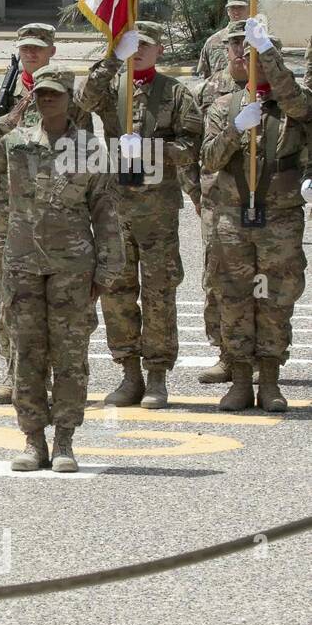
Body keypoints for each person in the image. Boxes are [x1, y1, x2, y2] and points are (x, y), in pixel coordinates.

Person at [0, 65, 123, 472]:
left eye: (54, 94)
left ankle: (64, 441)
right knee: (26, 354)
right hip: (22, 264)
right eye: (40, 94)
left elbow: (106, 213)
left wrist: (107, 270)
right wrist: (1, 123)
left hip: (72, 268)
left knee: (70, 356)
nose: (46, 100)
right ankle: (33, 440)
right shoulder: (15, 142)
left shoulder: (89, 149)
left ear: (69, 99)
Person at [77, 21, 203, 409]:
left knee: (159, 292)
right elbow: (84, 99)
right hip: (115, 206)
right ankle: (128, 372)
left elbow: (191, 147)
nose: (139, 50)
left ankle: (158, 377)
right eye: (133, 44)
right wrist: (112, 59)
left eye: (145, 45)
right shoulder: (114, 86)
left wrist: (153, 149)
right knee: (116, 291)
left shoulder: (175, 92)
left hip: (157, 211)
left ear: (160, 49)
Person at [0, 23, 93, 404]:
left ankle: (61, 376)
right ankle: (13, 371)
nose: (31, 54)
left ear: (52, 52)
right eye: (25, 48)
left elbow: (82, 153)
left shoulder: (66, 98)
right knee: (10, 292)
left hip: (57, 212)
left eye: (38, 48)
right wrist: (2, 125)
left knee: (61, 298)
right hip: (11, 209)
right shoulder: (0, 97)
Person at [200, 17, 310, 413]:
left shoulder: (295, 107)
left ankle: (271, 380)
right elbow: (210, 159)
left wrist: (267, 51)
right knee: (234, 299)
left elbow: (297, 103)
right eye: (250, 58)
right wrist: (234, 128)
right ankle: (241, 381)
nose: (256, 65)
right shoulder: (222, 106)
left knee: (275, 300)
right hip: (232, 220)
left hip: (279, 220)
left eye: (264, 59)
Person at [189, 19, 249, 385]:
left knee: (262, 279)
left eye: (247, 44)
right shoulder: (209, 90)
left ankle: (258, 355)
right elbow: (191, 146)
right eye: (234, 45)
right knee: (219, 277)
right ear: (223, 49)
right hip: (217, 199)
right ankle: (227, 353)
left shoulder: (272, 88)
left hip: (263, 198)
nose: (241, 52)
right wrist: (195, 193)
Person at [198, 0, 250, 80]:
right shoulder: (213, 41)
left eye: (241, 7)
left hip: (251, 92)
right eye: (232, 7)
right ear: (228, 11)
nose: (236, 12)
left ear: (249, 9)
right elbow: (205, 77)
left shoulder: (258, 41)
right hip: (220, 91)